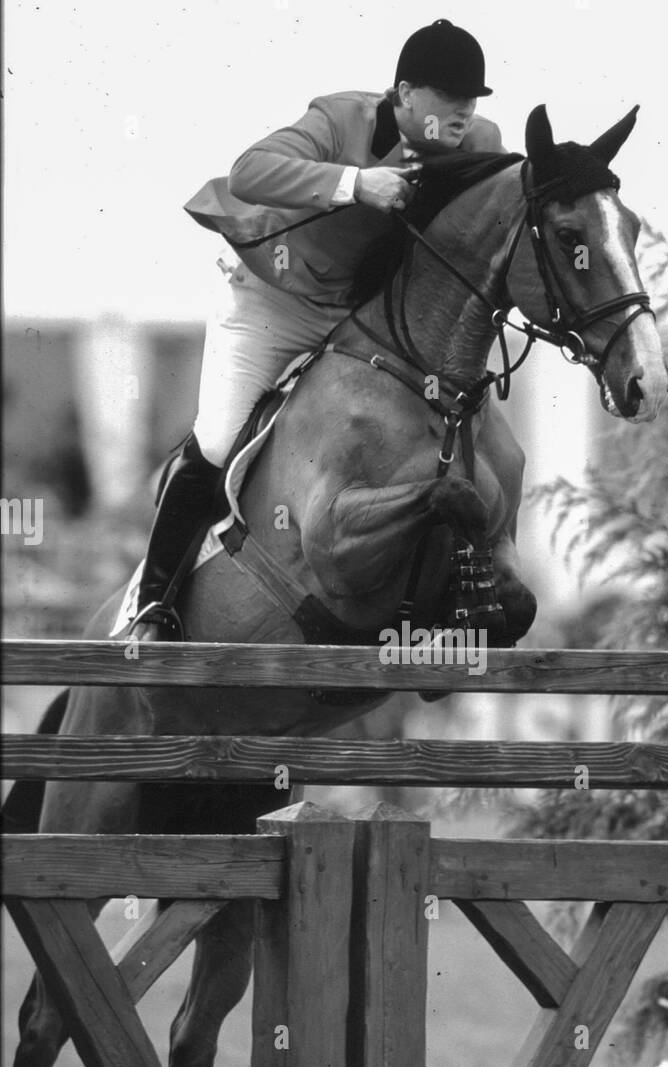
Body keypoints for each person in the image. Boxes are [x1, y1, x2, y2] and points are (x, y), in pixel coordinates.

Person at [131, 18, 506, 639]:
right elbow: (251, 171)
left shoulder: (481, 140)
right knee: (220, 439)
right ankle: (154, 602)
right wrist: (355, 184)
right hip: (273, 304)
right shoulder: (340, 119)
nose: (464, 113)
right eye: (450, 98)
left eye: (471, 100)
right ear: (405, 94)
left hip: (363, 321)